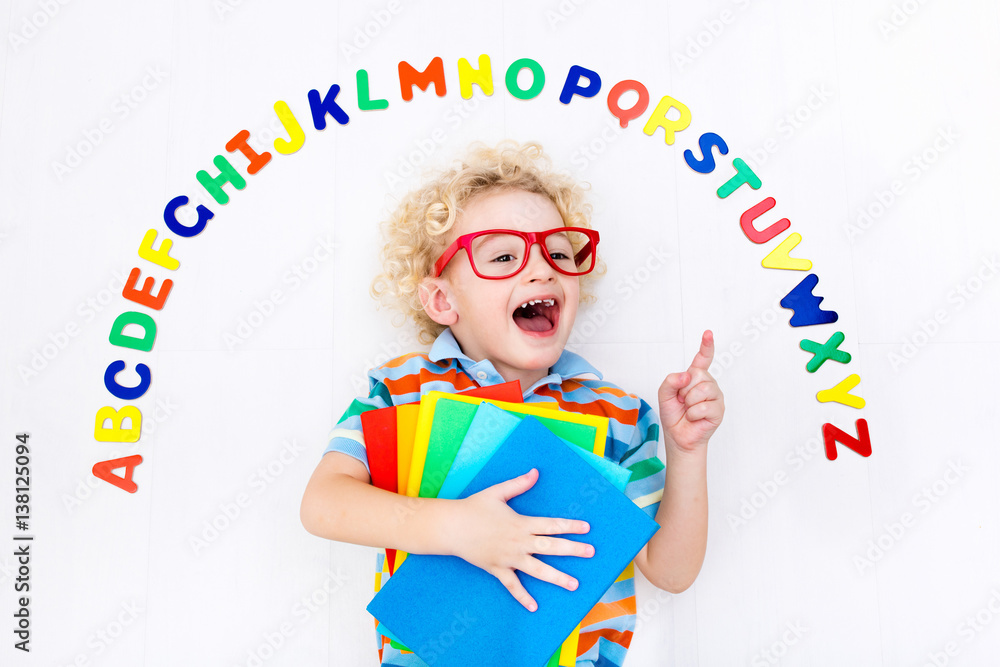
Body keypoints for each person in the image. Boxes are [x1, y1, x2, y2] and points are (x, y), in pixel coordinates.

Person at [300, 140, 725, 666]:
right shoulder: (401, 390)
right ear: (442, 300)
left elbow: (671, 570)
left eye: (559, 253)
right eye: (504, 255)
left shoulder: (619, 415)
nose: (541, 269)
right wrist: (458, 529)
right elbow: (322, 505)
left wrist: (689, 452)